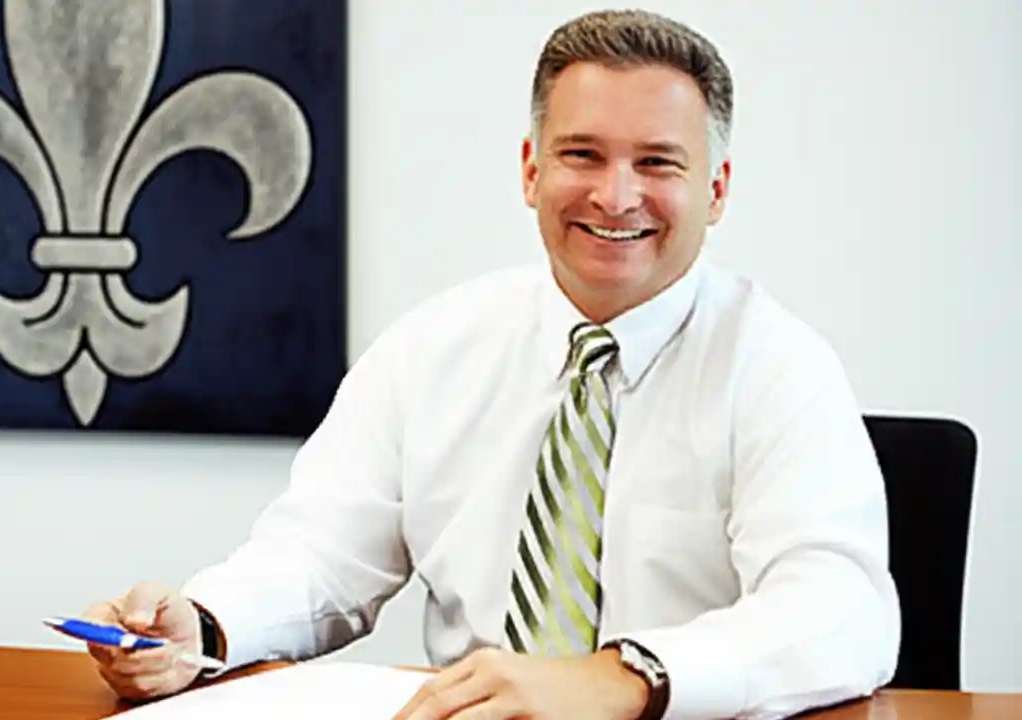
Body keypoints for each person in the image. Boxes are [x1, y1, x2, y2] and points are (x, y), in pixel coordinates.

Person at [81, 9, 901, 719]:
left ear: (716, 188)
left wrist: (622, 680)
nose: (616, 196)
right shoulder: (433, 346)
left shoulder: (779, 366)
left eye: (657, 162)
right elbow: (320, 558)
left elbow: (842, 613)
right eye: (582, 154)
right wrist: (206, 624)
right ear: (530, 169)